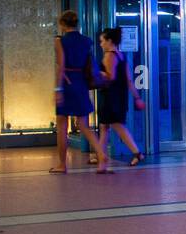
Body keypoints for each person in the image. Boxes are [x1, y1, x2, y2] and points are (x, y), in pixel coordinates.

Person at [51, 10, 109, 174]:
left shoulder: (60, 41)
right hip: (81, 83)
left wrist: (58, 89)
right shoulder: (86, 41)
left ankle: (62, 164)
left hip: (67, 82)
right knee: (83, 124)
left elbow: (61, 66)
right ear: (76, 24)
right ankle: (100, 153)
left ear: (62, 24)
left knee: (62, 124)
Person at [96, 27, 145, 166]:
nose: (101, 44)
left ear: (109, 41)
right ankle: (100, 156)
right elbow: (129, 79)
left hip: (109, 96)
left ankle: (137, 153)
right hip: (119, 95)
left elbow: (110, 76)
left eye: (102, 41)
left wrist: (97, 73)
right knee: (106, 126)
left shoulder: (109, 56)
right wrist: (137, 97)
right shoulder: (121, 56)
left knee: (114, 126)